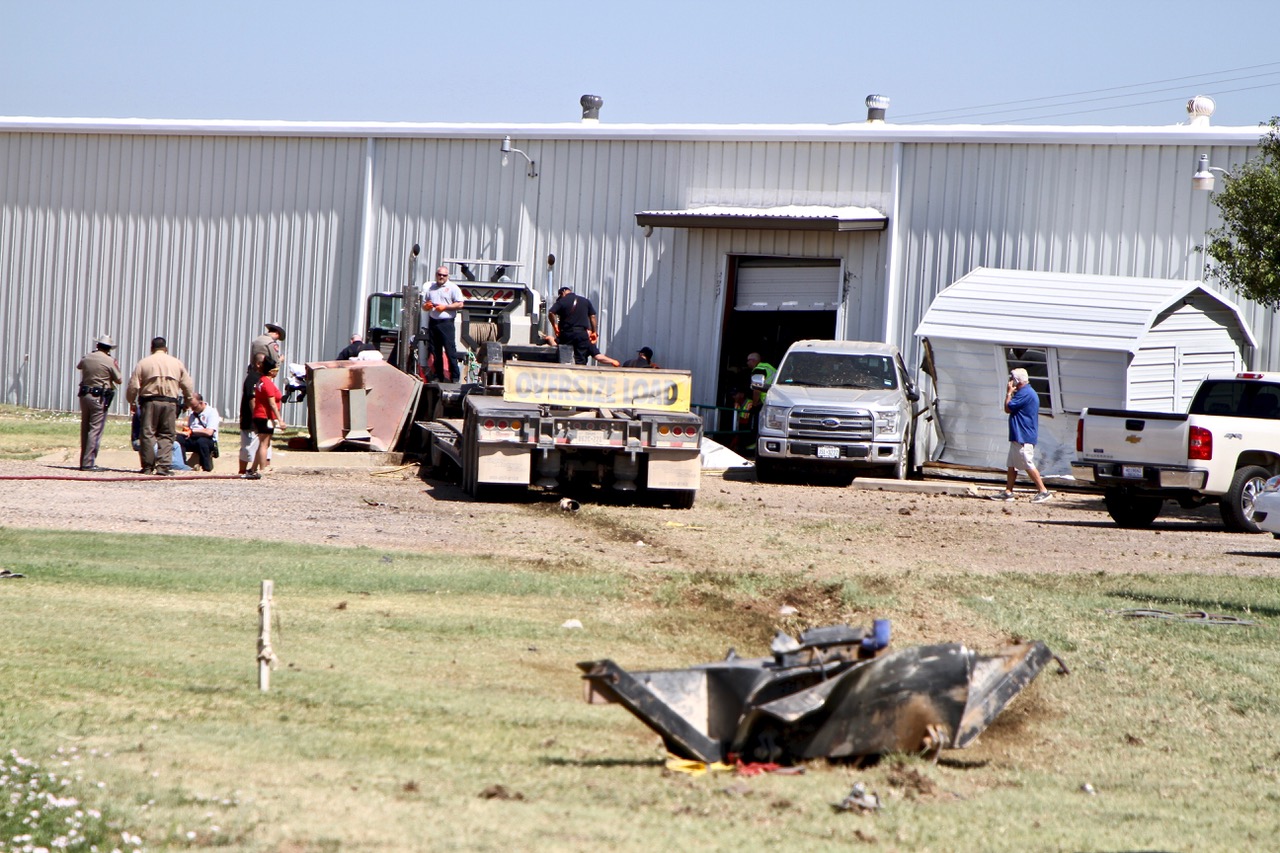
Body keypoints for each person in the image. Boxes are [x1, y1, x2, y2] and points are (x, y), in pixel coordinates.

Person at [124, 336, 197, 476]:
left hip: (149, 402)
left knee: (147, 434)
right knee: (167, 434)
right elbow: (187, 385)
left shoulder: (144, 363)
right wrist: (187, 402)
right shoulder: (177, 363)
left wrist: (132, 402)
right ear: (166, 349)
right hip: (170, 402)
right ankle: (163, 467)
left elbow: (133, 385)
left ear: (152, 348)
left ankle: (147, 467)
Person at [992, 367, 1051, 503]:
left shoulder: (1025, 393)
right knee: (1012, 465)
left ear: (1017, 380)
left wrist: (1008, 394)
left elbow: (1008, 408)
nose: (1010, 381)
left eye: (1012, 379)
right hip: (1019, 435)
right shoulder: (1026, 392)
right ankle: (1008, 491)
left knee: (1027, 462)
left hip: (1023, 435)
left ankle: (1043, 490)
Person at [75, 333, 122, 471]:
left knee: (86, 428)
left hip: (85, 395)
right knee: (95, 429)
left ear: (97, 345)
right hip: (99, 397)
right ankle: (89, 463)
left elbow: (80, 366)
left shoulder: (87, 357)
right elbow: (119, 379)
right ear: (109, 349)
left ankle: (83, 460)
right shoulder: (109, 360)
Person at [547, 285, 621, 367]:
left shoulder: (562, 301)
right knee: (580, 357)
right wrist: (594, 332)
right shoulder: (585, 301)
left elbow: (551, 313)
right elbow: (592, 317)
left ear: (562, 293)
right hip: (581, 334)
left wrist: (555, 326)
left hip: (567, 334)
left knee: (562, 351)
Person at [423, 266, 465, 382]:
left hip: (446, 323)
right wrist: (426, 307)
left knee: (450, 350)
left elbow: (460, 304)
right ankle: (439, 375)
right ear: (436, 275)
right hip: (433, 322)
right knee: (435, 350)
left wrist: (445, 307)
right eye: (439, 274)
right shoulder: (431, 288)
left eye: (444, 275)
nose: (441, 277)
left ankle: (455, 376)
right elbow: (424, 304)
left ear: (448, 276)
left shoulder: (453, 288)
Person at [245, 358, 283, 480]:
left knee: (262, 443)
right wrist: (280, 420)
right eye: (276, 370)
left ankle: (253, 468)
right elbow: (272, 403)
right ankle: (263, 469)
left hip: (259, 415)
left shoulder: (260, 381)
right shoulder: (268, 383)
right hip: (265, 416)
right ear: (272, 371)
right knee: (264, 444)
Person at [178, 393, 221, 472]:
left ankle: (206, 468)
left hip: (208, 440)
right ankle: (182, 465)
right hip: (193, 438)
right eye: (191, 407)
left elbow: (209, 432)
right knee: (179, 439)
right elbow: (190, 428)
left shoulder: (212, 412)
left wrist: (193, 431)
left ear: (201, 403)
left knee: (201, 441)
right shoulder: (192, 415)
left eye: (194, 407)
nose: (192, 409)